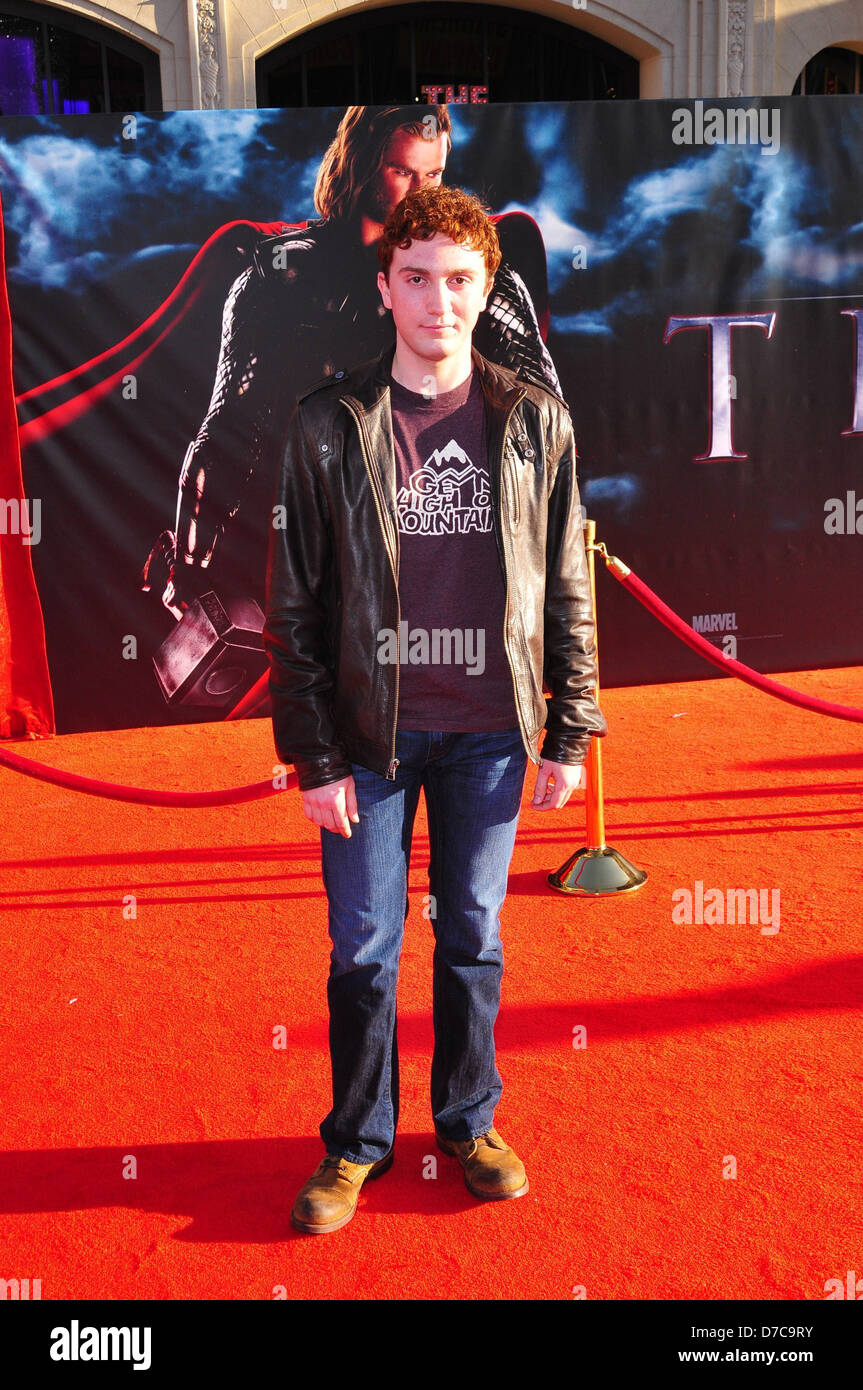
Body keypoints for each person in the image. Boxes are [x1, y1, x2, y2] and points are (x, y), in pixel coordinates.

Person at [263, 184, 607, 1235]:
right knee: (363, 948)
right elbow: (293, 602)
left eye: (459, 280)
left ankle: (468, 1121)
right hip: (367, 737)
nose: (437, 300)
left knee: (472, 934)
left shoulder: (533, 420)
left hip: (490, 735)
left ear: (486, 286)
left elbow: (565, 582)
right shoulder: (326, 424)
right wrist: (313, 754)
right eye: (415, 278)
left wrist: (573, 722)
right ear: (383, 289)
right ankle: (355, 1142)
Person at [158, 104, 562, 622]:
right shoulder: (281, 278)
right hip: (317, 546)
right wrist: (190, 568)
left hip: (450, 529)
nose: (423, 193)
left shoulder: (477, 270)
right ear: (361, 165)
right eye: (402, 172)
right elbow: (229, 431)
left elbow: (543, 414)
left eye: (433, 174)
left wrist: (531, 545)